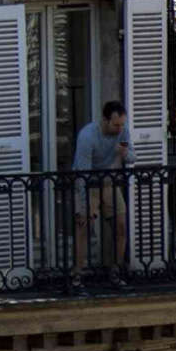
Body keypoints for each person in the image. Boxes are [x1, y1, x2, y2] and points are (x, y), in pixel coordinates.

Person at [69, 96, 128, 270]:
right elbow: (83, 173)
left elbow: (133, 157)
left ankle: (116, 271)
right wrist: (84, 205)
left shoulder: (123, 131)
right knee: (83, 227)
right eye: (116, 125)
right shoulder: (88, 136)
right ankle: (77, 274)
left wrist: (124, 154)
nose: (120, 129)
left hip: (109, 182)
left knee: (121, 227)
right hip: (88, 182)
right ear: (105, 120)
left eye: (122, 124)